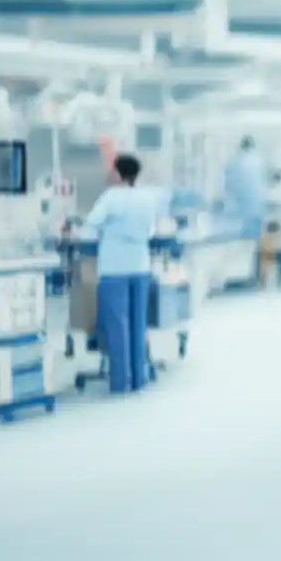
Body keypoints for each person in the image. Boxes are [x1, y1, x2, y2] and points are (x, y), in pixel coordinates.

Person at [85, 153, 159, 394]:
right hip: (140, 267)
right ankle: (139, 379)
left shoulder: (111, 197)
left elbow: (92, 222)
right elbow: (150, 231)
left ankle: (121, 382)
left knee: (117, 326)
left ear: (118, 173)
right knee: (138, 325)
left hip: (114, 269)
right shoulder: (146, 198)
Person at [223, 134, 268, 238]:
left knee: (246, 226)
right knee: (255, 226)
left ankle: (248, 240)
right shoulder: (259, 161)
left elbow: (229, 183)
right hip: (257, 201)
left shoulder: (235, 161)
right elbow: (264, 180)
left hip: (243, 202)